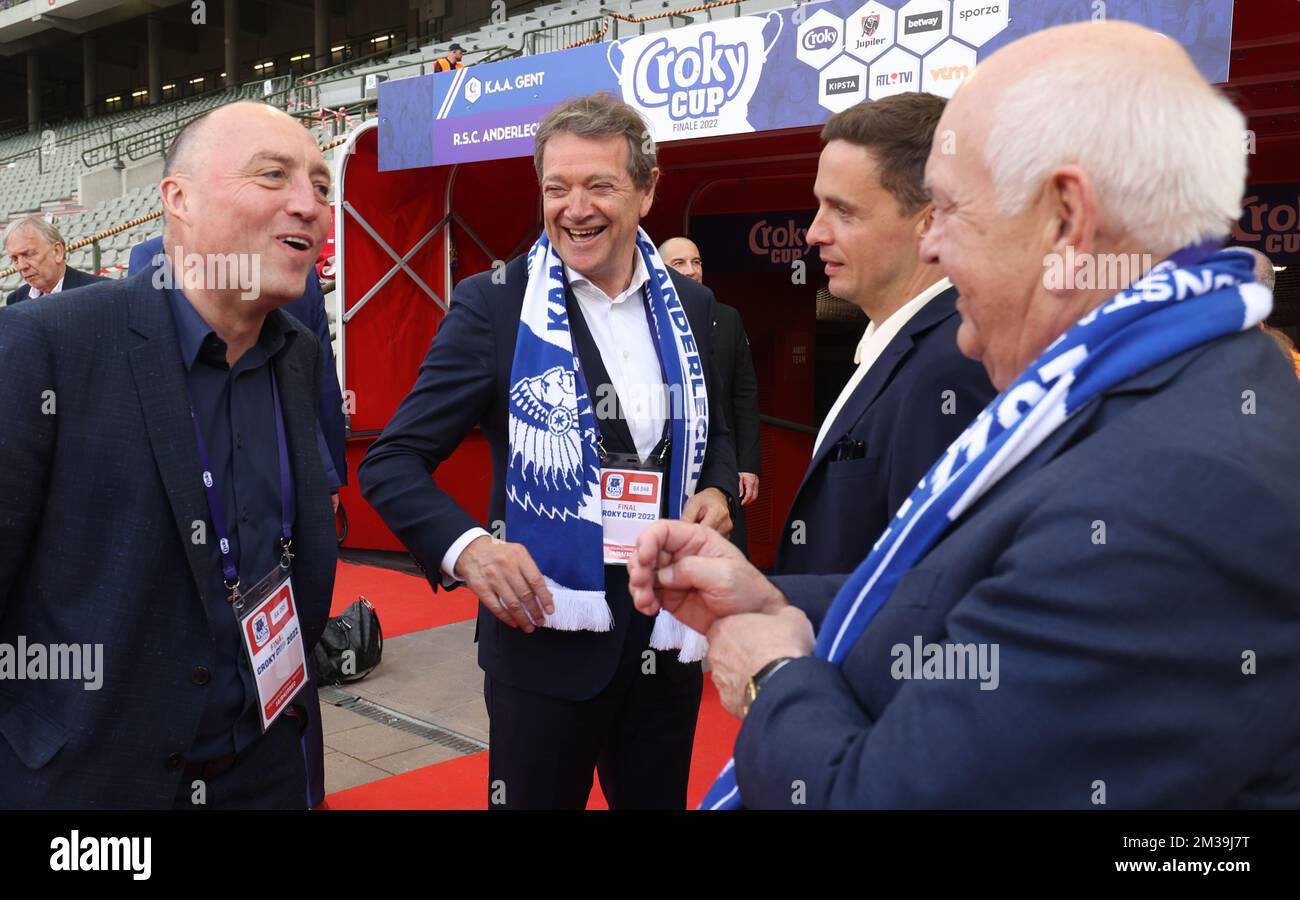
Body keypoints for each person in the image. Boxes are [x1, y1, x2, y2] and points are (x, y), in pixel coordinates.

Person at [627, 21, 1300, 808]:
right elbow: (969, 595)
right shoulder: (1141, 389)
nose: (933, 249)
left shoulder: (1167, 494)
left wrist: (776, 676)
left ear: (1065, 220)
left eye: (948, 211)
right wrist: (774, 599)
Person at [360, 93, 738, 810]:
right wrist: (470, 549)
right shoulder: (494, 304)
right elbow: (392, 461)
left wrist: (716, 489)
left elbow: (715, 431)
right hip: (542, 636)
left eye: (599, 185)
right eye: (556, 187)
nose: (575, 207)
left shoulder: (691, 307)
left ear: (647, 191)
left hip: (666, 631)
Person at [0, 101, 338, 809]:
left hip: (264, 769)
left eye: (321, 184)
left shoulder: (298, 356)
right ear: (177, 200)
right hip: (91, 789)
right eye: (273, 176)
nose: (308, 204)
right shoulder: (48, 346)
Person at [775, 93, 995, 575]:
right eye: (819, 207)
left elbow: (931, 591)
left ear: (930, 221)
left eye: (844, 211)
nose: (813, 233)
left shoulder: (956, 366)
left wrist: (778, 611)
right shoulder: (907, 345)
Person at [129, 233, 349, 507]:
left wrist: (328, 475)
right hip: (225, 471)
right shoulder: (154, 256)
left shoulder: (295, 260)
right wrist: (329, 475)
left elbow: (320, 374)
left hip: (261, 470)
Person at [660, 236, 762, 555]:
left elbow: (744, 394)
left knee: (722, 557)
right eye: (679, 263)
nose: (691, 271)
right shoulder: (643, 318)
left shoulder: (728, 317)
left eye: (696, 262)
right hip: (663, 465)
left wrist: (747, 464)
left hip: (719, 465)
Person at [3, 217, 106, 305]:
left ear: (57, 251)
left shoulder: (102, 292)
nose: (21, 266)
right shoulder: (15, 300)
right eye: (15, 259)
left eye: (28, 255)